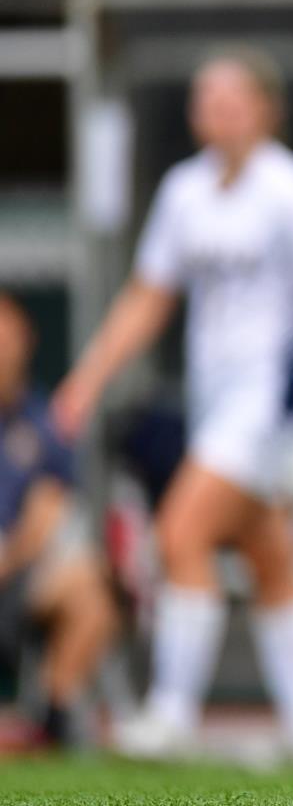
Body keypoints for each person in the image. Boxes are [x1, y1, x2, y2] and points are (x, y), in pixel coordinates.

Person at [52, 51, 293, 768]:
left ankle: (173, 714)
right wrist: (87, 380)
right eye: (207, 100)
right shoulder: (184, 191)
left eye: (233, 100)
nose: (219, 113)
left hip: (273, 398)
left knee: (181, 532)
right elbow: (149, 295)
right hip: (217, 398)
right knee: (268, 550)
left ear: (266, 108)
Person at [0, 293, 116, 751]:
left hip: (17, 574)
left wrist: (7, 558)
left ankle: (55, 715)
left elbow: (48, 510)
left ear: (26, 343)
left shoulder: (45, 423)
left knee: (88, 589)